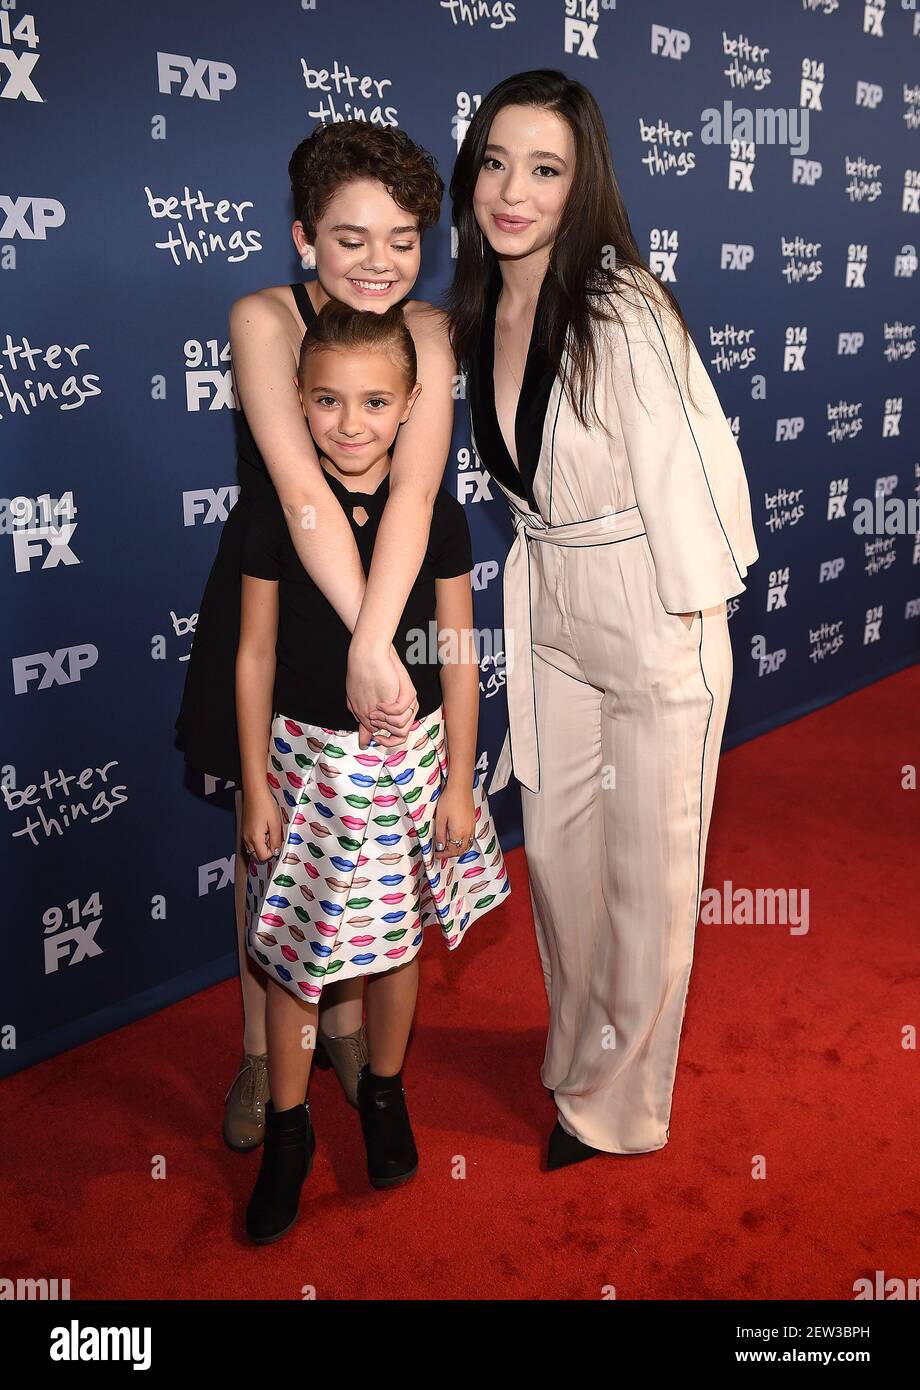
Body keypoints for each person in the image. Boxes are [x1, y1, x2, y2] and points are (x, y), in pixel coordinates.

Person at [446, 70, 759, 1168]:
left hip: (650, 606)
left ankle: (613, 1106)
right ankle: (576, 1052)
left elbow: (691, 463)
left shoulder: (620, 302)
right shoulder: (479, 304)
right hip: (552, 610)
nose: (510, 191)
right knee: (564, 863)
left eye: (543, 169)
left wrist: (684, 631)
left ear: (582, 187)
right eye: (493, 162)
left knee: (647, 873)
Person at [173, 121, 455, 1145]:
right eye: (350, 238)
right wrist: (361, 641)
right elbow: (300, 491)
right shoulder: (261, 315)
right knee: (273, 839)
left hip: (387, 603)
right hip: (274, 602)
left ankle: (341, 1028)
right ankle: (262, 1048)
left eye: (401, 238)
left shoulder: (427, 330)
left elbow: (415, 495)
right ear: (302, 238)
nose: (377, 263)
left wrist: (376, 644)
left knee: (372, 831)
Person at [236, 300, 510, 1243]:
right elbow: (256, 657)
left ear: (411, 406)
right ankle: (287, 1132)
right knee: (293, 962)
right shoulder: (279, 509)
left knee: (396, 944)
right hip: (303, 770)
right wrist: (257, 786)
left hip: (411, 764)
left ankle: (385, 1095)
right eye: (326, 401)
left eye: (375, 402)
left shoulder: (435, 517)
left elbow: (462, 656)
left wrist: (463, 783)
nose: (350, 424)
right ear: (296, 400)